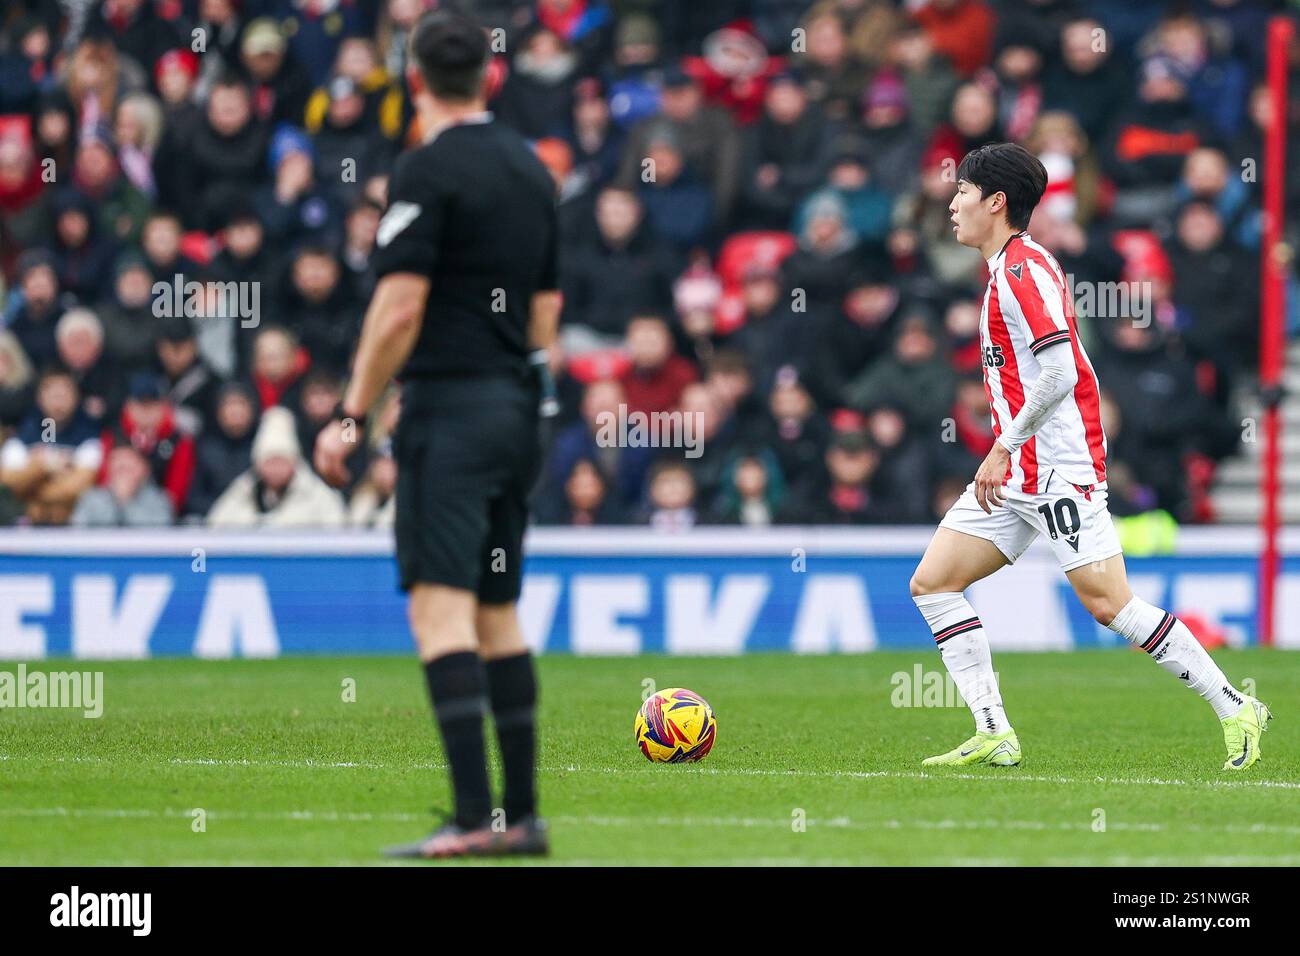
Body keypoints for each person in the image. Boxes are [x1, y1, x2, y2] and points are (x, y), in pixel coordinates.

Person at [909, 143, 1269, 771]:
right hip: (1018, 472)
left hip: (1055, 469)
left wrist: (1002, 445)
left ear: (995, 203)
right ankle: (994, 730)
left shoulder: (1022, 271)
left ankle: (1236, 705)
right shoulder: (1006, 269)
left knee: (1110, 607)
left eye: (962, 192)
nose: (952, 204)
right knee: (934, 584)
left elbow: (1058, 373)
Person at [312, 10, 560, 859]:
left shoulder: (425, 167)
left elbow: (399, 306)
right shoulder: (532, 169)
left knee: (441, 613)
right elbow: (546, 312)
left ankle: (471, 820)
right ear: (489, 78)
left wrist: (352, 410)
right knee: (498, 613)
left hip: (450, 411)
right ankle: (520, 816)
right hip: (518, 407)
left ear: (414, 80)